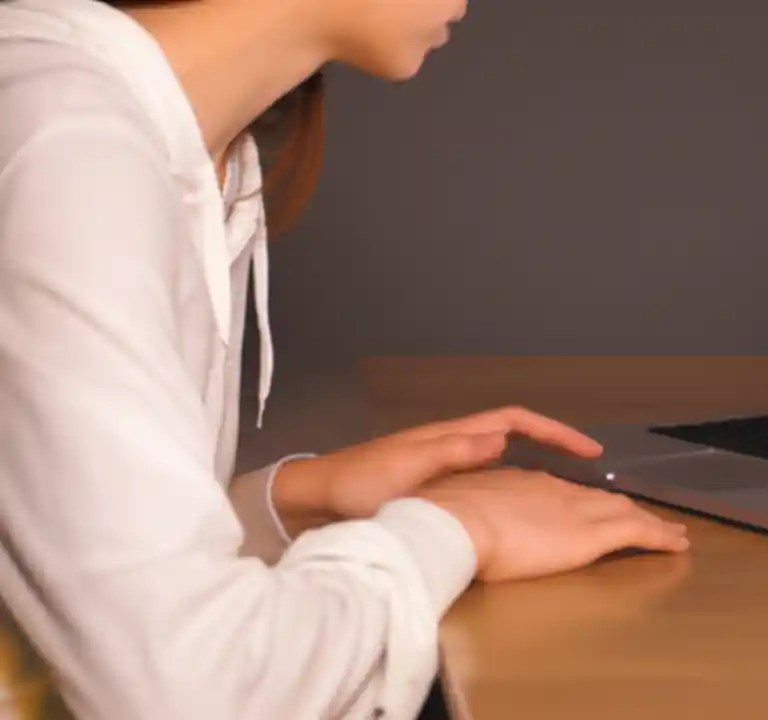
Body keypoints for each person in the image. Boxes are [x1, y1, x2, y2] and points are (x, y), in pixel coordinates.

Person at [0, 1, 691, 718]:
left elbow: (86, 576)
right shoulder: (65, 144)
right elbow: (187, 689)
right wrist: (455, 532)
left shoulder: (185, 146)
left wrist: (291, 501)